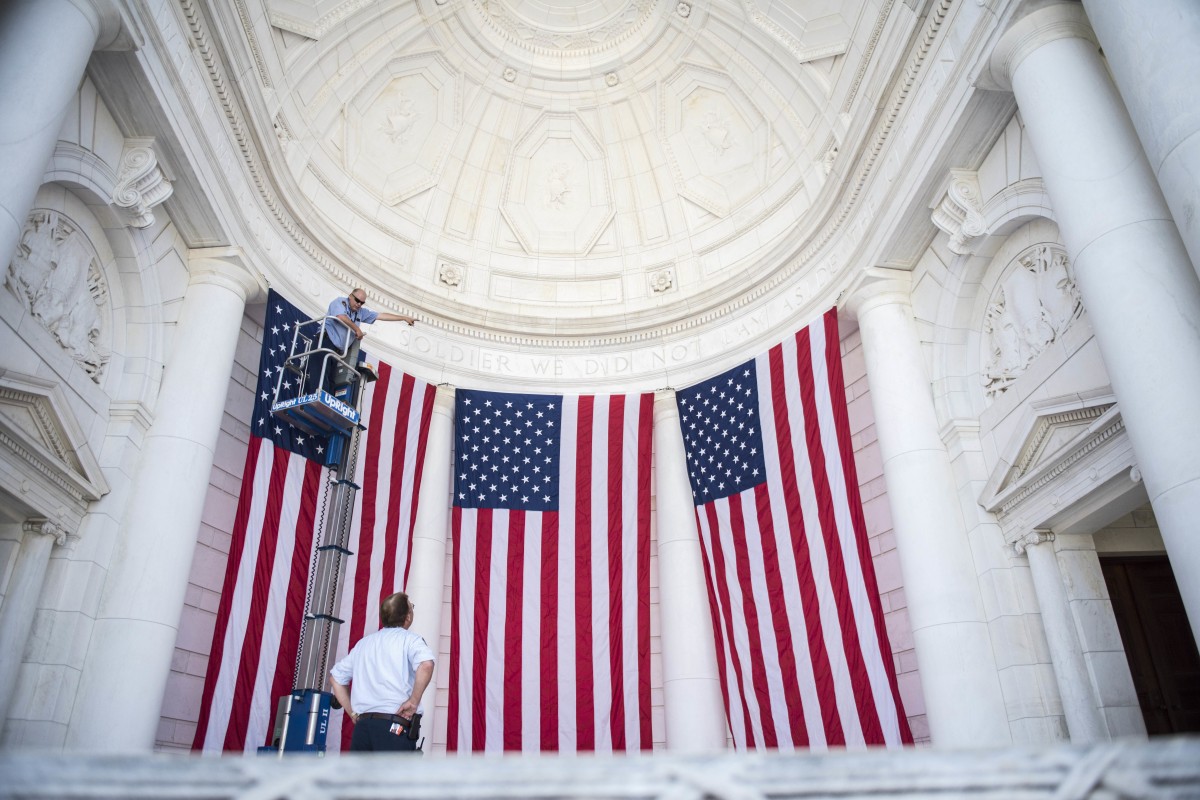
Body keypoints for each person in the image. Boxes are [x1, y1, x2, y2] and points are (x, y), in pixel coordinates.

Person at [329, 591, 434, 752]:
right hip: (394, 727)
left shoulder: (363, 644)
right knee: (392, 777)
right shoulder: (410, 640)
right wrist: (413, 702)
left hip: (363, 728)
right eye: (411, 608)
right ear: (407, 617)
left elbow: (336, 678)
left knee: (361, 777)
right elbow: (426, 664)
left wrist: (352, 713)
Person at [321, 288, 415, 391]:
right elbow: (340, 316)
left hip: (338, 351)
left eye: (362, 303)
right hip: (326, 341)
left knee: (330, 381)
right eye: (357, 300)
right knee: (320, 373)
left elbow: (381, 315)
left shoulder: (361, 312)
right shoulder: (340, 302)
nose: (359, 304)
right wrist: (357, 329)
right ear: (350, 296)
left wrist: (403, 318)